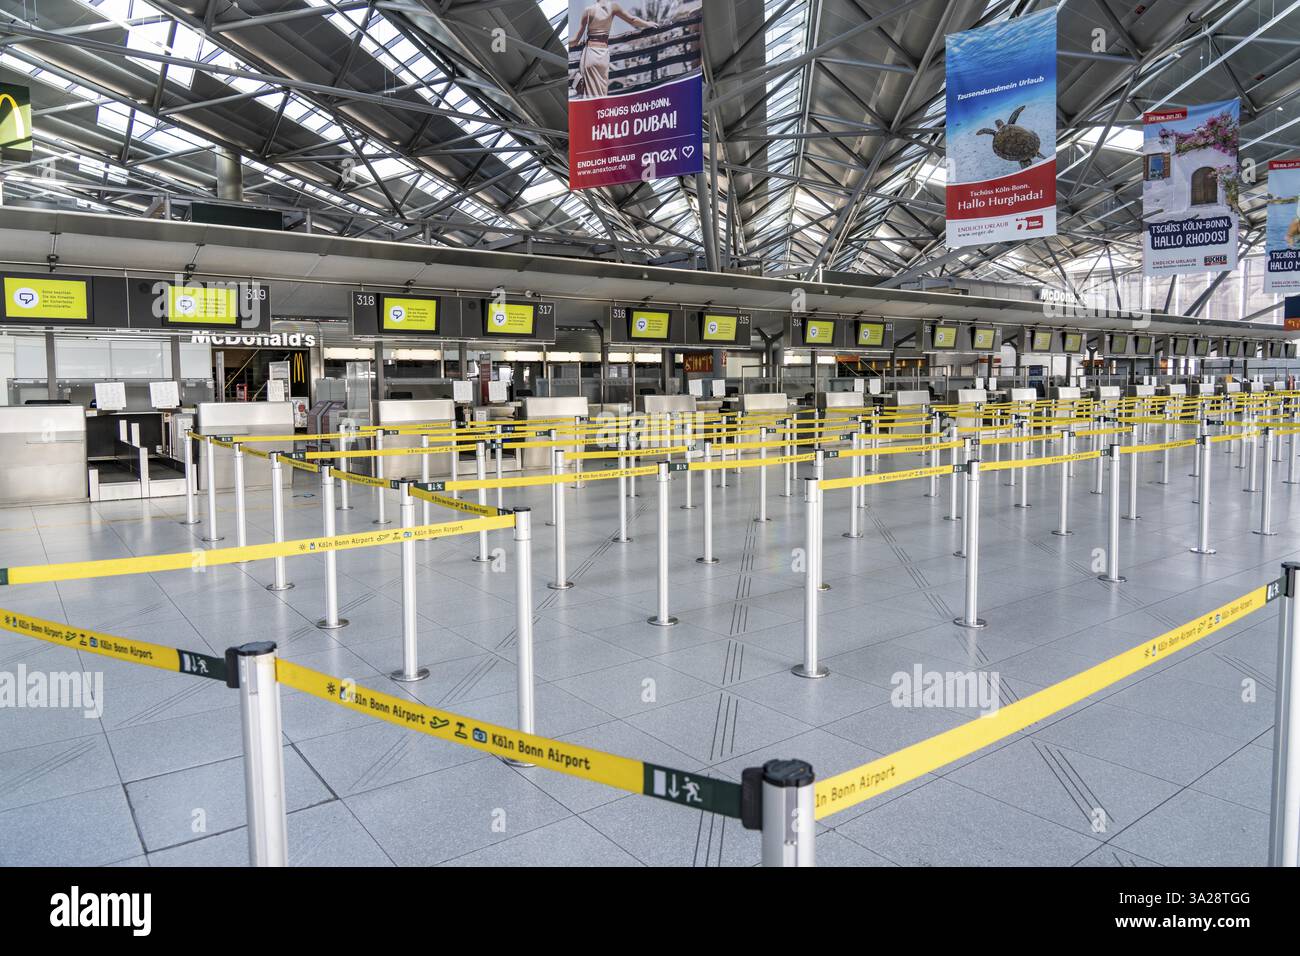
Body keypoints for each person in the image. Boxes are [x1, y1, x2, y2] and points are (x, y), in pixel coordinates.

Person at [569, 1, 659, 98]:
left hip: (590, 54)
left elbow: (575, 40)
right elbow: (632, 20)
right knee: (602, 91)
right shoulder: (613, 6)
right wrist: (648, 23)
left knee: (589, 92)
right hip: (603, 54)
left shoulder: (588, 11)